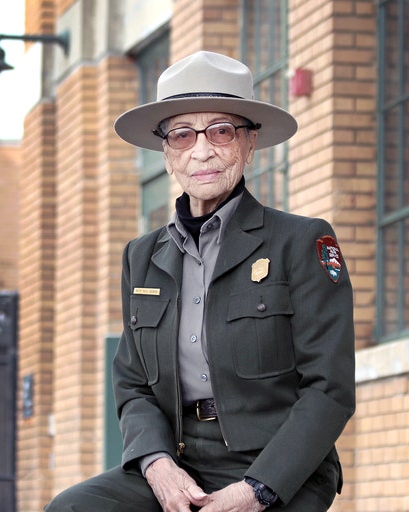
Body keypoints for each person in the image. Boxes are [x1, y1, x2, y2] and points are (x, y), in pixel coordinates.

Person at [45, 51, 356, 512]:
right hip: (180, 463)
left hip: (279, 467)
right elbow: (133, 384)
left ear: (249, 143)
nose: (202, 150)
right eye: (183, 135)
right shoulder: (141, 256)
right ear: (167, 153)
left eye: (221, 131)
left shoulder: (300, 241)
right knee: (73, 508)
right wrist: (157, 465)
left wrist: (256, 490)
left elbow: (329, 389)